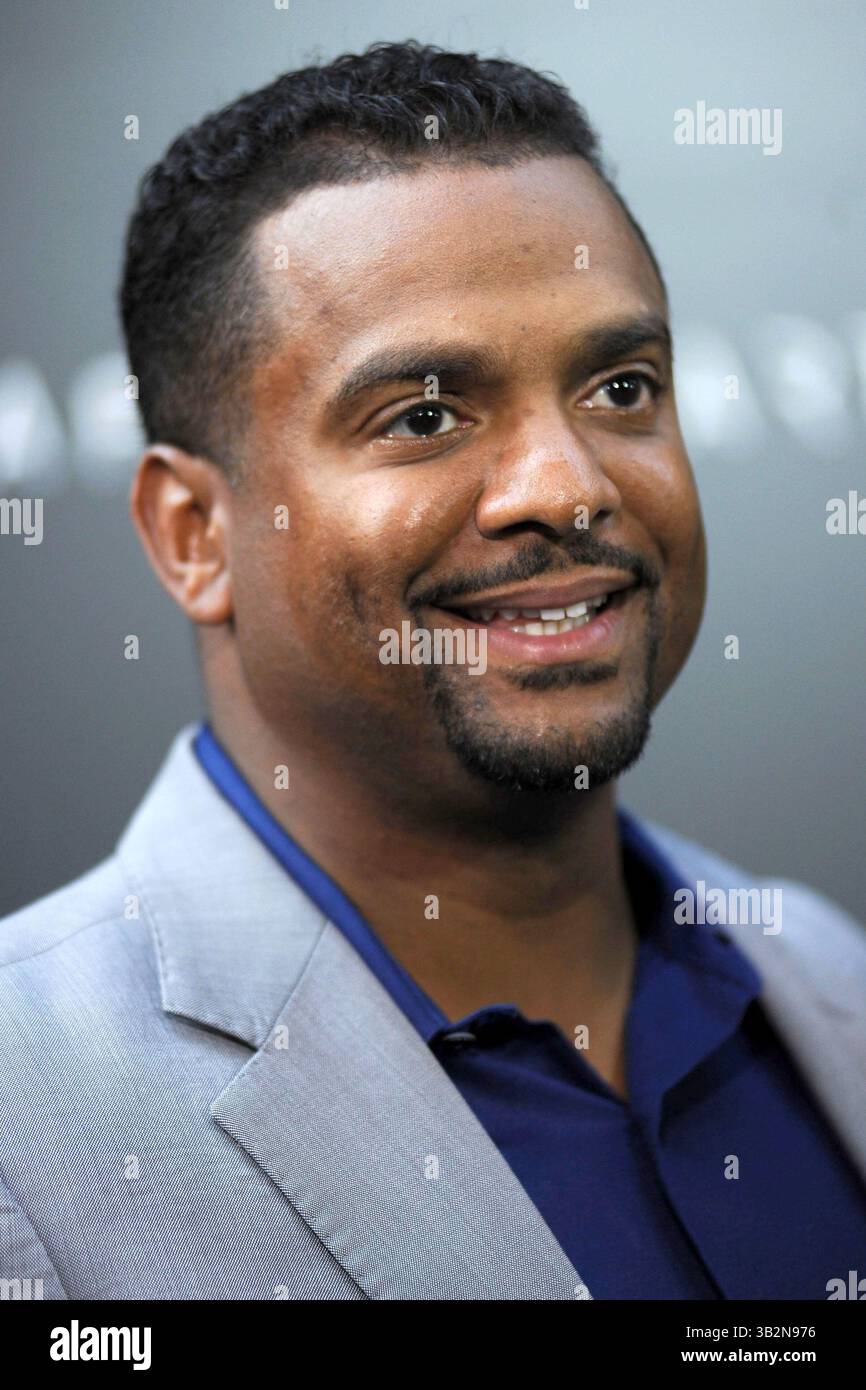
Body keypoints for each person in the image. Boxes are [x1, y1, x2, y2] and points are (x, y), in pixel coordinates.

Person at [2, 42, 865, 1302]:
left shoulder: (826, 978)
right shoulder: (27, 1131)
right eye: (421, 415)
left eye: (620, 387)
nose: (566, 487)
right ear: (193, 535)